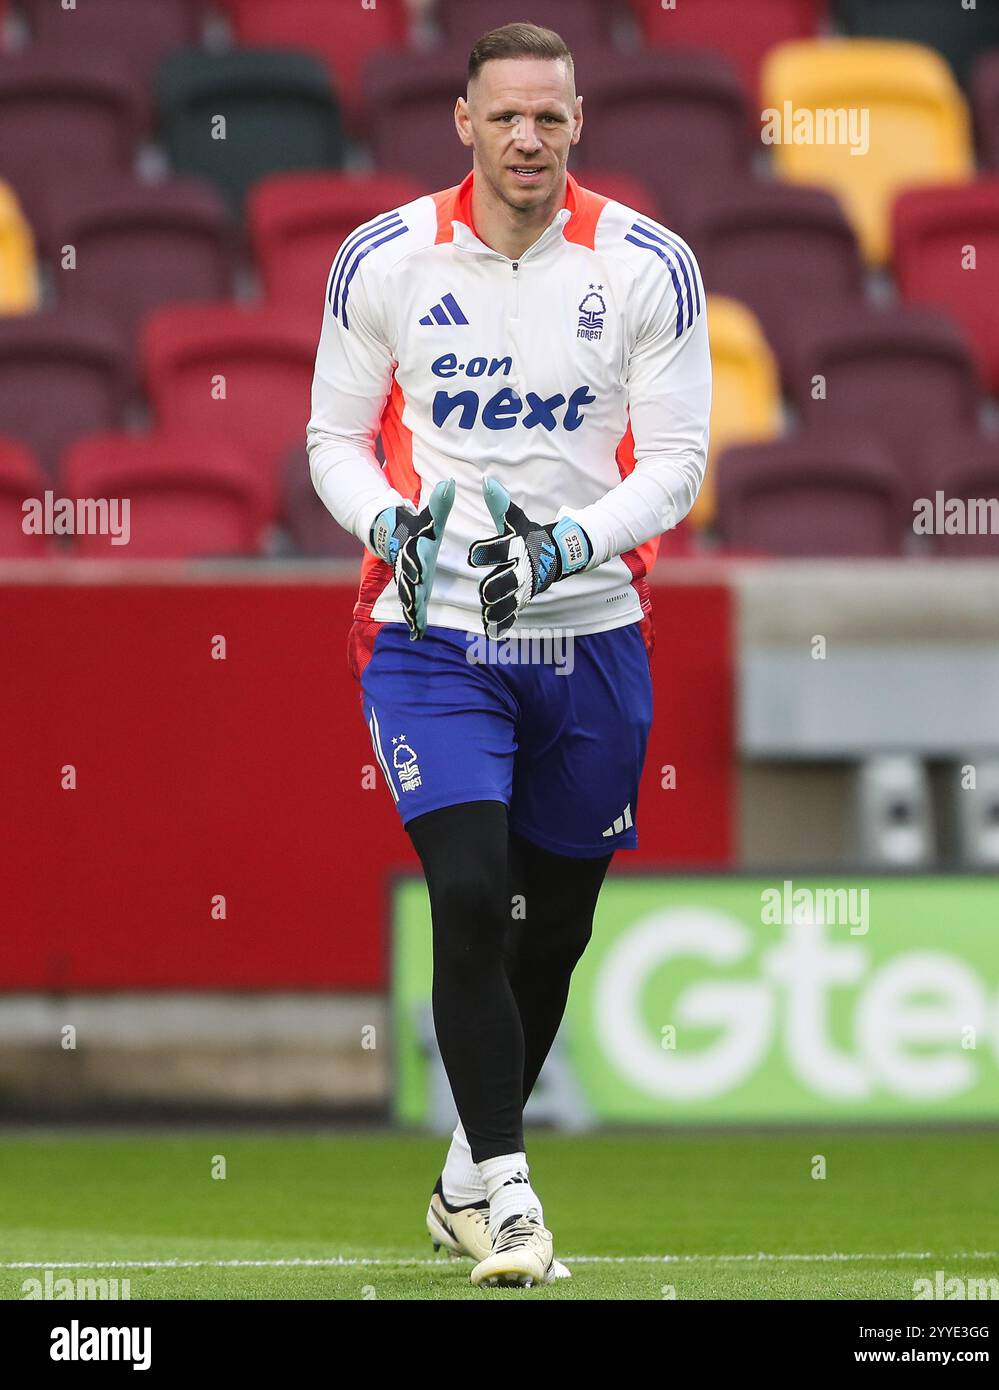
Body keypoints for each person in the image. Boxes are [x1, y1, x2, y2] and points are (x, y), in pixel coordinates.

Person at [307, 20, 711, 1288]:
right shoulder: (383, 258)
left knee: (553, 936)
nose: (527, 139)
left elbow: (682, 465)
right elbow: (330, 440)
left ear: (578, 122)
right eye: (506, 117)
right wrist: (386, 520)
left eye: (551, 117)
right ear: (464, 124)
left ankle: (457, 1183)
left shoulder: (650, 265)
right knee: (474, 896)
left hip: (590, 638)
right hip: (431, 637)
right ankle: (516, 1202)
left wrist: (563, 548)